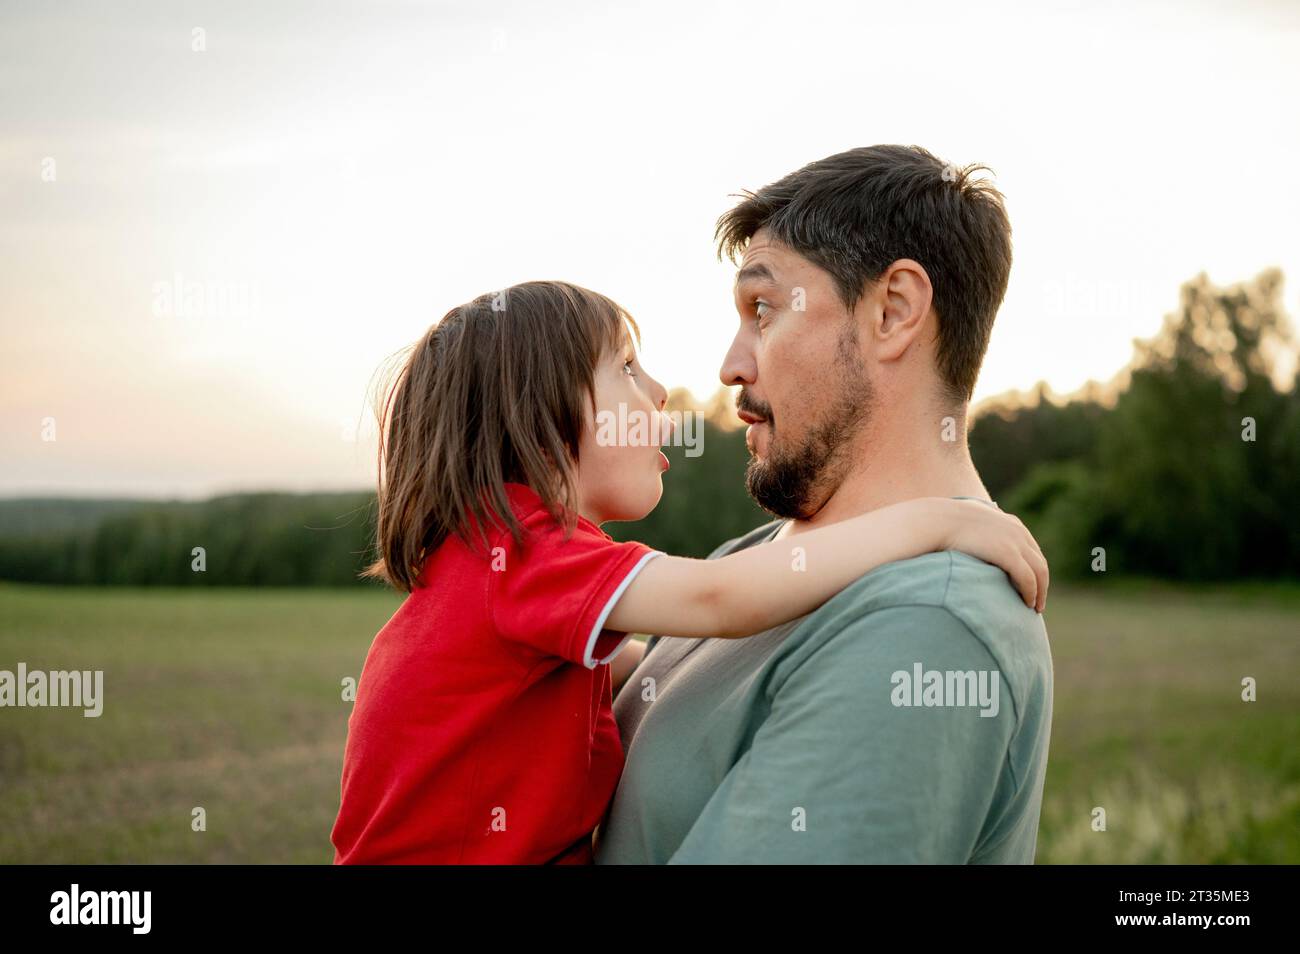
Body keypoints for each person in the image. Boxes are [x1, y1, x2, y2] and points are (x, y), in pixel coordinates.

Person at [330, 279, 1047, 864]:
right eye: (626, 368)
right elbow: (718, 600)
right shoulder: (520, 550)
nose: (662, 388)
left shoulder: (492, 565)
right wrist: (935, 520)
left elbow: (610, 672)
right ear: (536, 413)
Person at [594, 145, 1056, 864]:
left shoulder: (926, 627)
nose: (731, 365)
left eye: (763, 309)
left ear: (893, 313)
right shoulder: (747, 563)